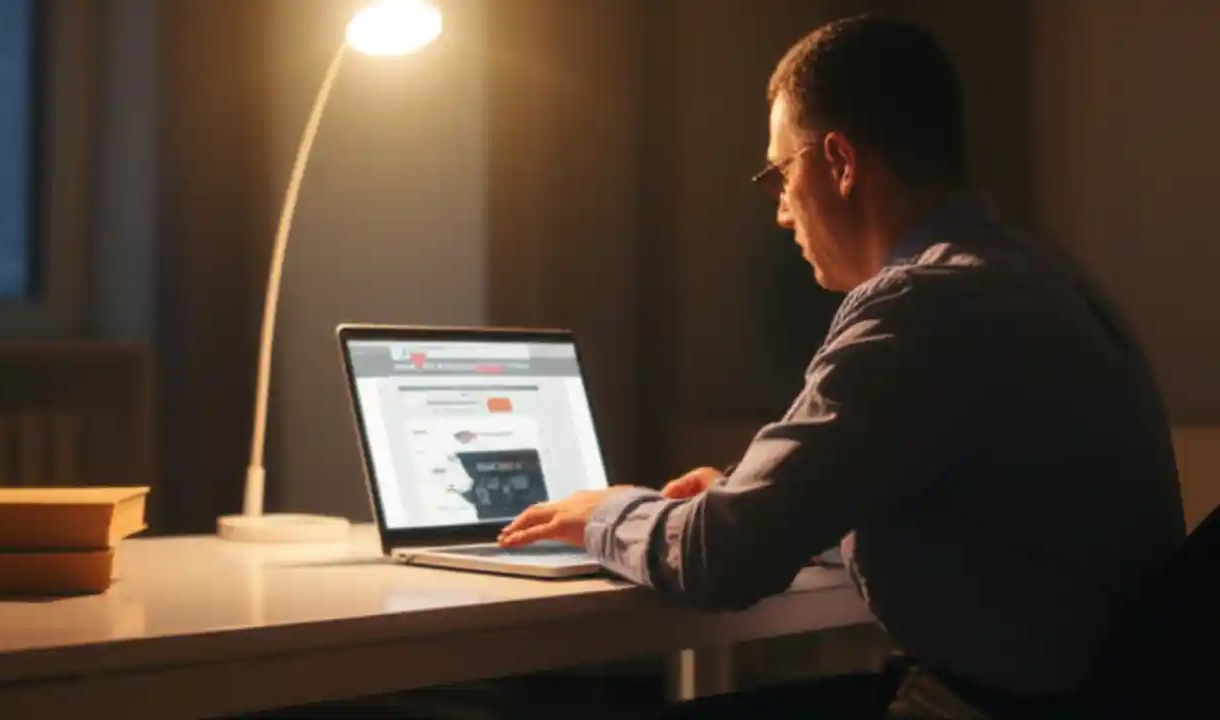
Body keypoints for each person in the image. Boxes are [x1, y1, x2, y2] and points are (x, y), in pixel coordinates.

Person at [497, 14, 1187, 720]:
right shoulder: (1044, 278)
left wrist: (601, 511)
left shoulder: (920, 303)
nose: (781, 215)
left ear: (839, 163)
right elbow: (984, 512)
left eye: (779, 174)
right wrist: (770, 501)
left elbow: (721, 559)